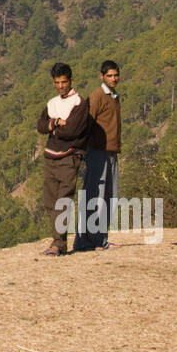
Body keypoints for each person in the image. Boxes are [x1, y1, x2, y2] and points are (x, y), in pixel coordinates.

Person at [37, 63, 91, 256]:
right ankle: (58, 240)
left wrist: (53, 128)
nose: (61, 86)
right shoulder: (52, 103)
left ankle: (58, 243)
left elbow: (72, 131)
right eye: (57, 82)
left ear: (71, 80)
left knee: (63, 201)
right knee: (50, 201)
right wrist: (56, 122)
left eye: (64, 82)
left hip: (69, 158)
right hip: (50, 157)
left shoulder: (79, 103)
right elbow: (41, 125)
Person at [78, 60, 122, 251]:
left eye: (116, 75)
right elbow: (86, 124)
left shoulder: (114, 97)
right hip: (97, 153)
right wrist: (84, 151)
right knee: (94, 196)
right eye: (109, 75)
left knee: (109, 197)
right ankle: (86, 241)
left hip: (111, 153)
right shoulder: (97, 97)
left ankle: (101, 239)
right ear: (102, 76)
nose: (113, 79)